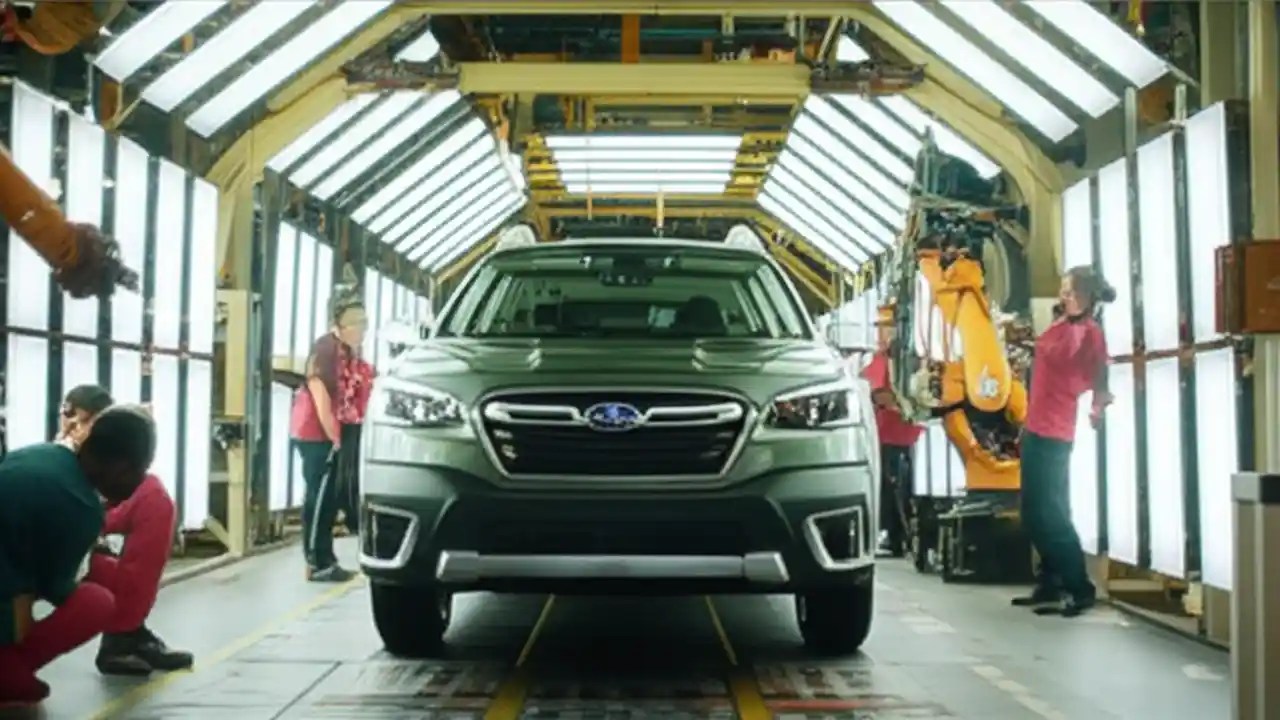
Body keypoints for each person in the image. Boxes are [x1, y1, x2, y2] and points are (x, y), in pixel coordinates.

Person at [0, 406, 156, 704]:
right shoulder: (83, 508)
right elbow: (48, 590)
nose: (139, 482)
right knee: (96, 602)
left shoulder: (45, 455)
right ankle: (7, 671)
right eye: (140, 471)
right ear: (121, 468)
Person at [53, 389, 194, 676]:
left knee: (153, 498)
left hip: (75, 553)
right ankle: (122, 636)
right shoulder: (63, 469)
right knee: (154, 501)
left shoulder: (86, 464)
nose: (72, 431)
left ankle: (130, 630)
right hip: (51, 562)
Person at [1013, 265, 1115, 618]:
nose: (1063, 297)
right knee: (1032, 512)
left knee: (1051, 512)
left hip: (1055, 429)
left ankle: (1078, 586)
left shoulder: (1087, 333)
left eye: (1070, 292)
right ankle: (1051, 579)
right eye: (1063, 291)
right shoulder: (1063, 326)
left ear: (1085, 297)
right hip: (1036, 424)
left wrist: (1098, 407)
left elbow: (1097, 373)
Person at [290, 295, 367, 582]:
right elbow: (320, 395)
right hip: (316, 433)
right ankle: (316, 560)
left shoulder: (349, 352)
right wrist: (334, 437)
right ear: (338, 324)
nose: (361, 329)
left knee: (329, 498)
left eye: (364, 323)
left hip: (331, 433)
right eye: (356, 323)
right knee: (319, 498)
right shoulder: (326, 349)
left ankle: (325, 557)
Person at [861, 304, 924, 557]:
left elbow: (879, 394)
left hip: (896, 436)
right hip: (894, 434)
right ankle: (898, 536)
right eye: (880, 328)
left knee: (894, 489)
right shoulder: (887, 359)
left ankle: (899, 536)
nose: (881, 334)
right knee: (895, 489)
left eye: (886, 327)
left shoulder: (896, 359)